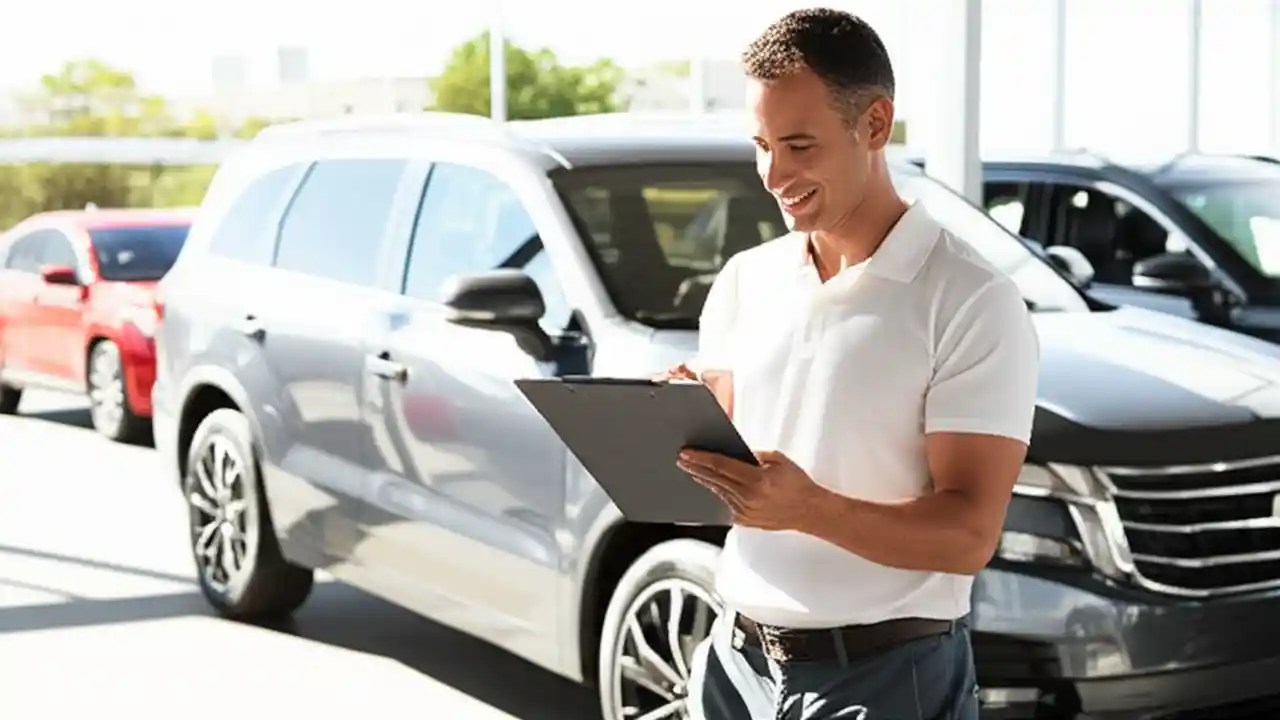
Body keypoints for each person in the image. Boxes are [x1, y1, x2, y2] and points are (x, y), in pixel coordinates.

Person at [660, 8, 1041, 719]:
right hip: (734, 666)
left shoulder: (968, 298)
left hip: (885, 679)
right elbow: (726, 470)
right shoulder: (745, 280)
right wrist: (677, 426)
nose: (773, 174)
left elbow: (968, 535)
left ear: (875, 125)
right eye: (761, 145)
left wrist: (809, 509)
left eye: (798, 145)